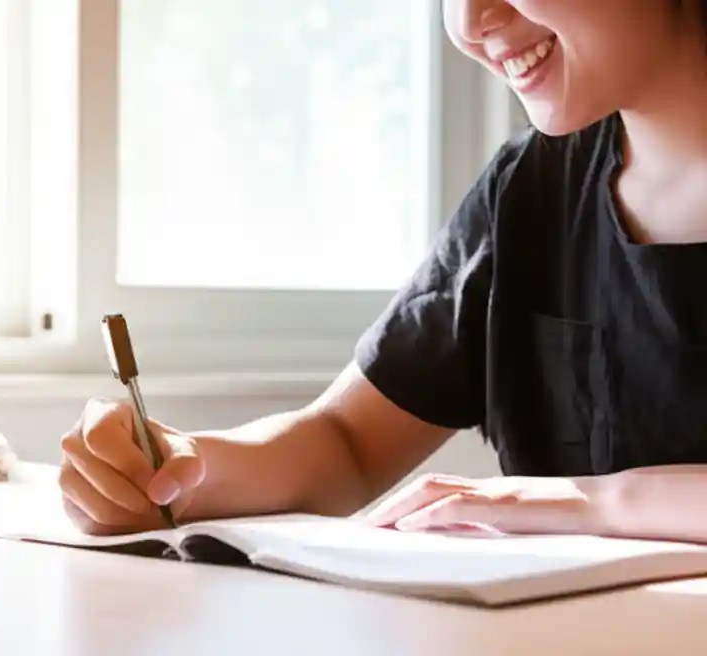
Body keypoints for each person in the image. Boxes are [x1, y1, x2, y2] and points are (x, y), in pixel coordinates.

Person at [58, 0, 707, 542]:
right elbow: (348, 444)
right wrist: (181, 471)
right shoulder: (530, 193)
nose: (474, 21)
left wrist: (603, 505)